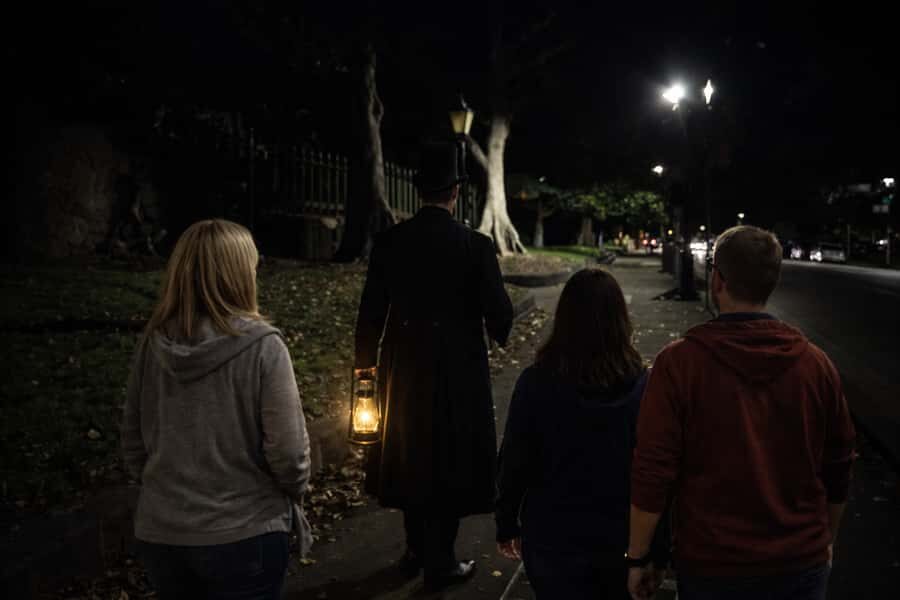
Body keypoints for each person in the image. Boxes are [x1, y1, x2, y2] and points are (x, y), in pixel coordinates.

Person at [627, 225, 856, 600]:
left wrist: (638, 557)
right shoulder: (816, 366)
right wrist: (826, 539)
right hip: (800, 561)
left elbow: (653, 468)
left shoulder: (680, 363)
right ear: (772, 282)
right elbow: (839, 463)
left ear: (717, 280)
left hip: (712, 562)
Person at [121, 219, 312, 600]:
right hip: (245, 531)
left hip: (163, 534)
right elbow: (289, 454)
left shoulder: (153, 344)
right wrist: (294, 489)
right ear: (240, 274)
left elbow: (132, 440)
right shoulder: (264, 347)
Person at [354, 141, 513, 592]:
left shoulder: (390, 243)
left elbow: (370, 316)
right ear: (456, 192)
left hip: (403, 369)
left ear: (419, 190)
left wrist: (364, 372)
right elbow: (499, 315)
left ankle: (414, 549)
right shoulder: (475, 247)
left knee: (409, 451)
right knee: (450, 458)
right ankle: (439, 558)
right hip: (459, 371)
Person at [495, 268, 667, 599]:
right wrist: (654, 549)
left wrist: (506, 521)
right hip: (620, 537)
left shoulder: (536, 383)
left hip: (552, 537)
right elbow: (655, 469)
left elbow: (515, 458)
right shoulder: (644, 387)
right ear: (621, 320)